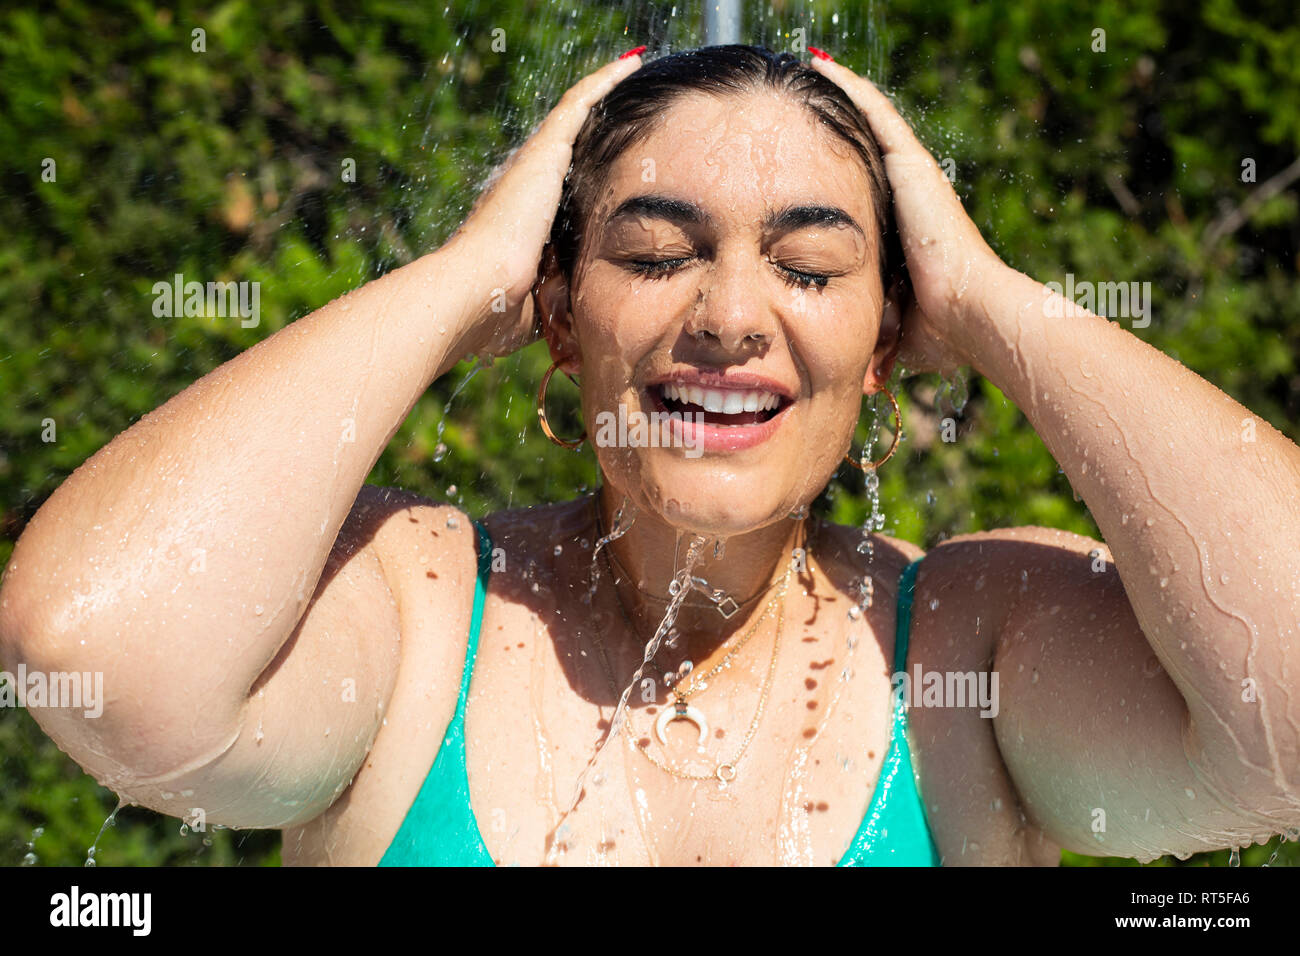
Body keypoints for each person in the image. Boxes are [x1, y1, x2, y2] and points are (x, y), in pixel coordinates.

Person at [1, 44, 1297, 867]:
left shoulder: (966, 646)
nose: (731, 317)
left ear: (888, 335)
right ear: (559, 315)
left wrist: (994, 300)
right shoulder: (417, 614)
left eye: (810, 266)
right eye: (656, 253)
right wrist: (458, 286)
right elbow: (91, 656)